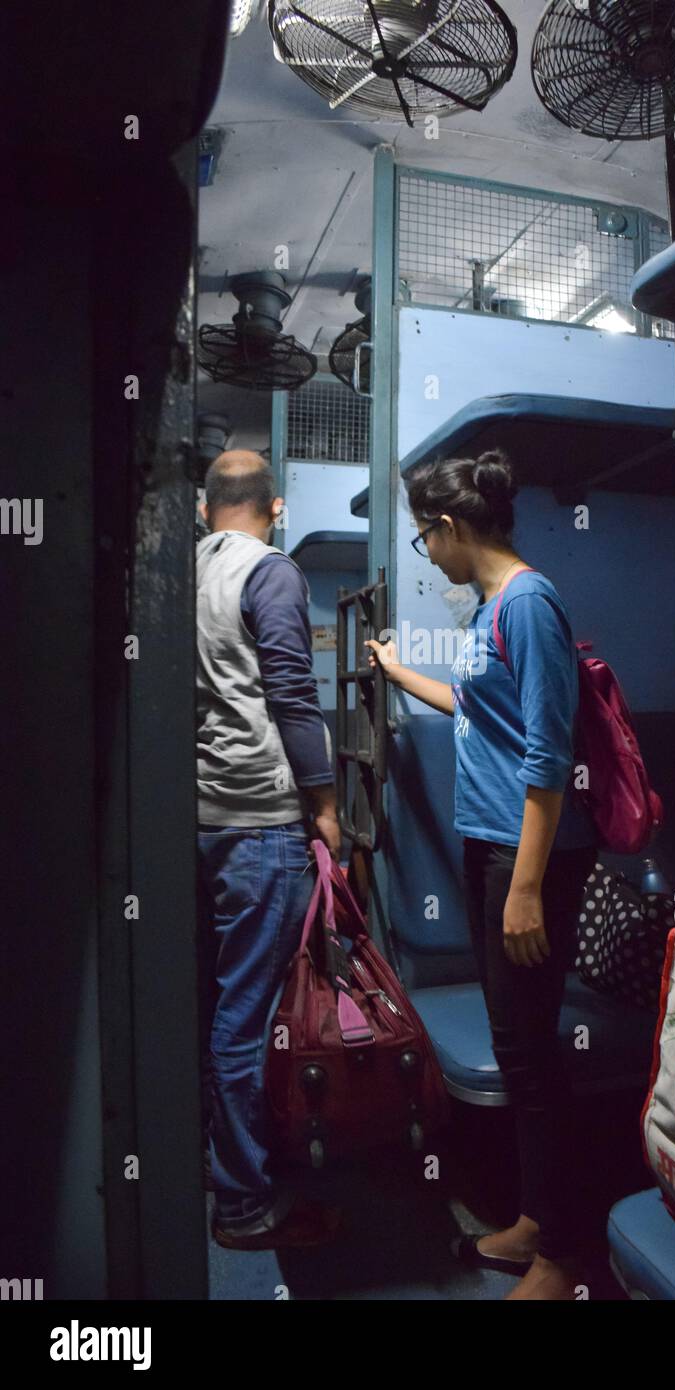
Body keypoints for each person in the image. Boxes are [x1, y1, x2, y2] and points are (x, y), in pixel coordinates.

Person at [366, 449, 597, 1301]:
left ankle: (564, 1255)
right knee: (519, 1046)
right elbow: (479, 709)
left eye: (427, 538)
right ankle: (540, 1218)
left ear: (451, 528)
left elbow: (548, 753)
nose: (428, 554)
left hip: (524, 857)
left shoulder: (528, 603)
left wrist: (528, 885)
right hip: (491, 848)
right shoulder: (492, 610)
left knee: (535, 1060)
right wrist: (398, 675)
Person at [196, 449, 341, 1251]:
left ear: (206, 506)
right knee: (245, 1020)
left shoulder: (181, 571)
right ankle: (244, 1202)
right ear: (275, 507)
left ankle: (224, 1167)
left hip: (201, 815)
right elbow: (291, 690)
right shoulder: (270, 571)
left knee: (216, 1006)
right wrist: (324, 804)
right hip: (261, 816)